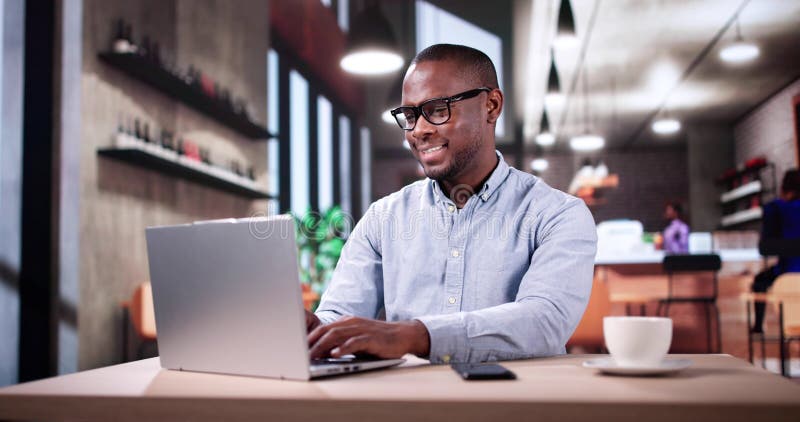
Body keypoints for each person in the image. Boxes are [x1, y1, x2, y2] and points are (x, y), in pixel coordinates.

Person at [305, 44, 597, 364]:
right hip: (408, 406)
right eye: (411, 115)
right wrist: (316, 329)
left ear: (492, 105)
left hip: (515, 406)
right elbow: (342, 313)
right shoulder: (382, 218)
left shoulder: (558, 215)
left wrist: (415, 335)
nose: (419, 130)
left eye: (438, 109)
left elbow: (544, 322)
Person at [751, 169, 800, 333]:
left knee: (759, 282)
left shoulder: (775, 208)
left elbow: (766, 246)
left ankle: (758, 327)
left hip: (786, 273)